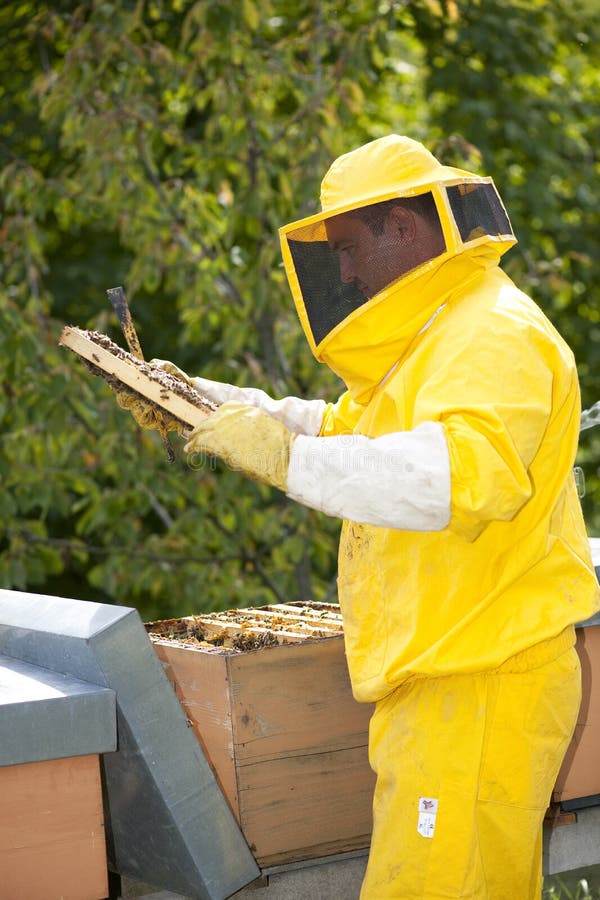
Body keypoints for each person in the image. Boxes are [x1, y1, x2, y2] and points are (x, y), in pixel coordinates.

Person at [116, 135, 600, 898]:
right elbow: (346, 433)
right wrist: (210, 403)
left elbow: (448, 478)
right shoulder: (440, 336)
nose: (340, 270)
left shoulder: (493, 334)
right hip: (448, 677)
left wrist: (276, 456)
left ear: (403, 230)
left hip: (480, 679)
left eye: (346, 247)